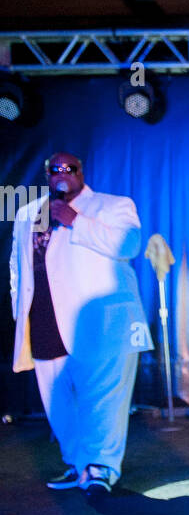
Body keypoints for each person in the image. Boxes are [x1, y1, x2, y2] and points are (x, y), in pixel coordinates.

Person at [9, 154, 153, 492]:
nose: (62, 174)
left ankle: (101, 467)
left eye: (69, 169)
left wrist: (76, 221)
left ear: (81, 173)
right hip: (43, 320)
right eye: (55, 170)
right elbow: (17, 264)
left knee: (103, 399)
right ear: (46, 175)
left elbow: (129, 245)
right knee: (58, 404)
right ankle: (77, 464)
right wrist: (20, 310)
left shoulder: (112, 205)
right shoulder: (28, 213)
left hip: (99, 324)